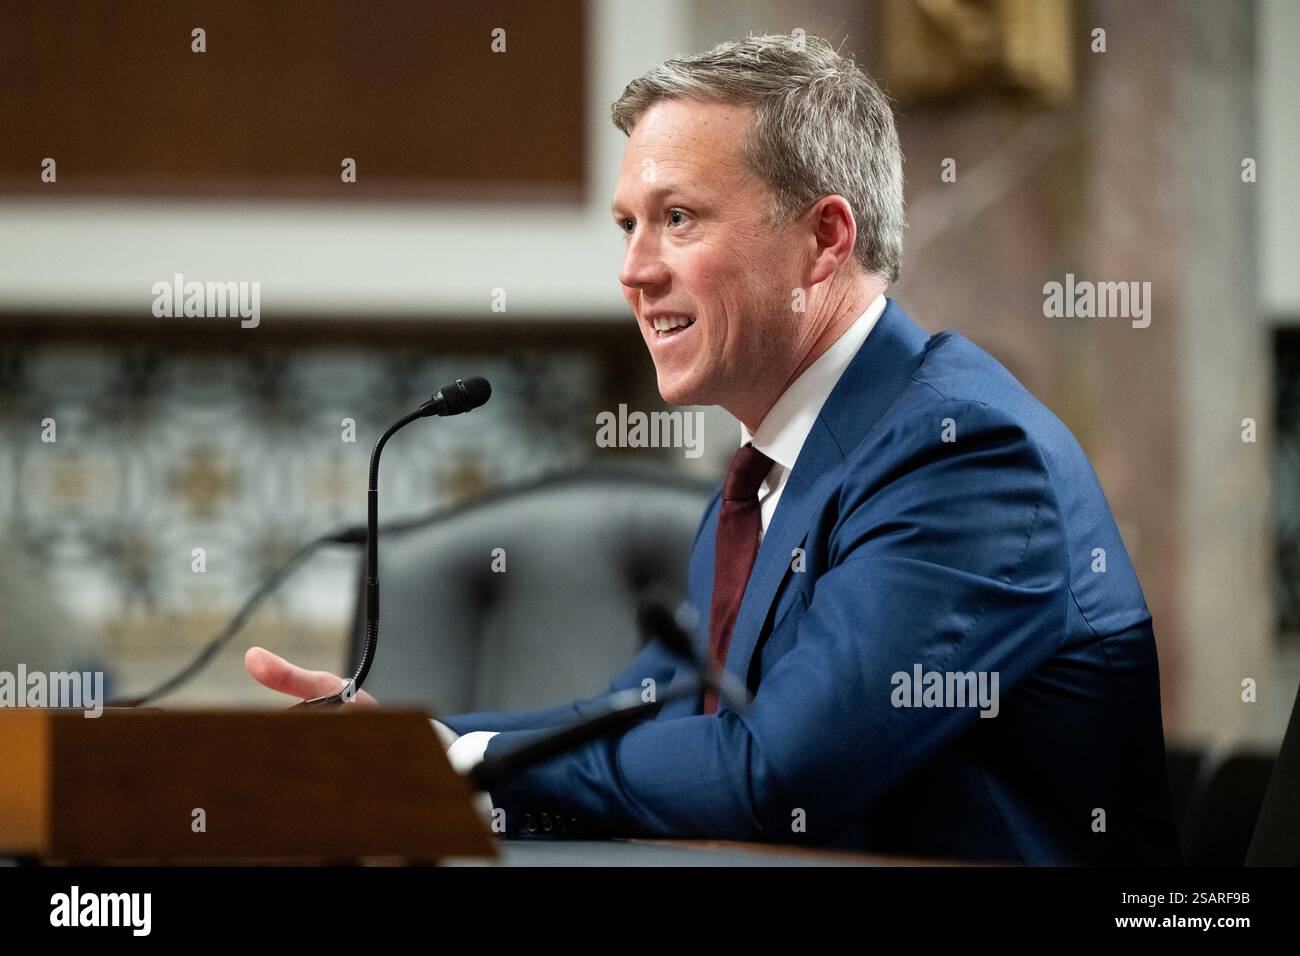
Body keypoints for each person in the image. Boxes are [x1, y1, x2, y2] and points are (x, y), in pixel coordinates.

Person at [246, 34, 1181, 864]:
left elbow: (784, 776)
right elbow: (640, 719)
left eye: (678, 218)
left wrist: (462, 766)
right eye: (627, 225)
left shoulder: (964, 454)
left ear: (824, 240)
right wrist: (411, 750)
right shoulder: (771, 467)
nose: (634, 270)